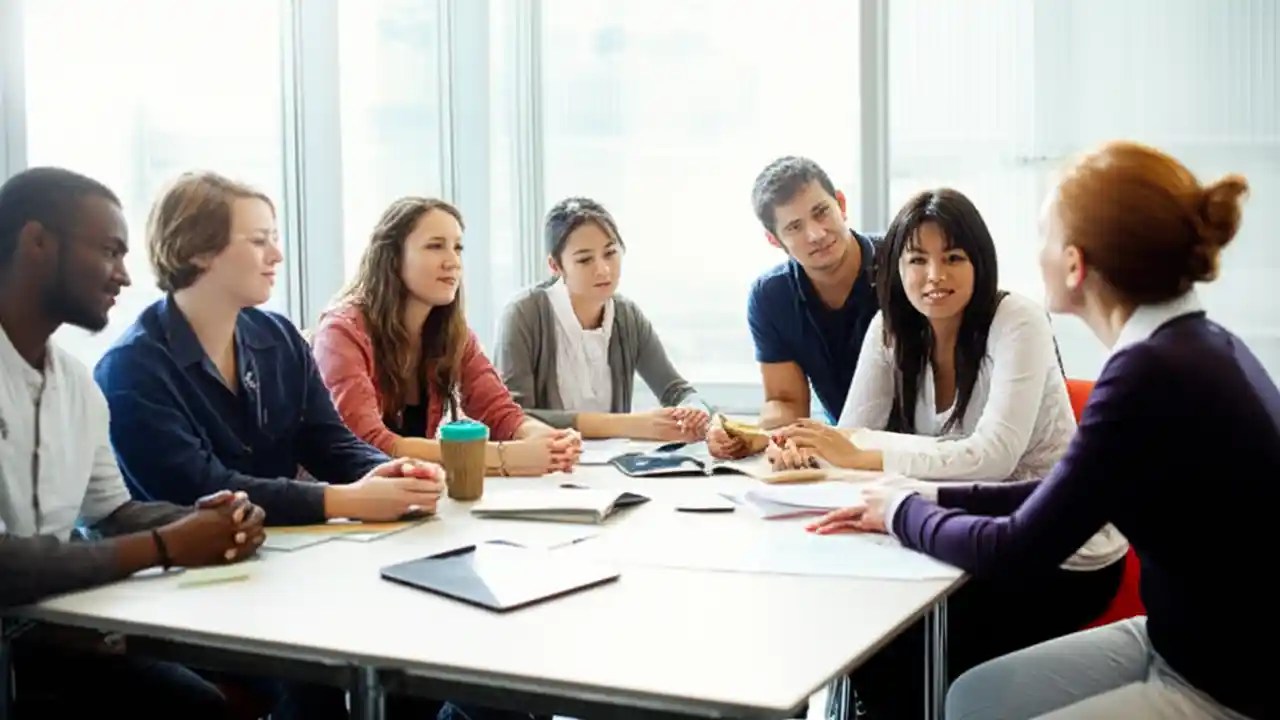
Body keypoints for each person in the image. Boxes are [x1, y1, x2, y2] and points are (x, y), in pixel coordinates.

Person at [810, 141, 1276, 720]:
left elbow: (1019, 547)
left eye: (1044, 237)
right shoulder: (1191, 346)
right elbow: (1058, 498)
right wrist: (922, 498)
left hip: (1230, 685)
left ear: (1075, 263)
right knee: (971, 699)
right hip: (1175, 641)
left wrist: (906, 512)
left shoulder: (1149, 374)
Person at [92, 171, 452, 719]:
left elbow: (330, 442)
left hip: (289, 571)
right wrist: (346, 500)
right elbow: (201, 488)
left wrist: (395, 471)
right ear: (199, 251)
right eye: (258, 240)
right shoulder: (132, 368)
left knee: (422, 659)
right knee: (321, 686)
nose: (277, 254)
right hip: (195, 589)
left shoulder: (277, 337)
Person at [776, 188, 1128, 718]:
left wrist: (855, 451)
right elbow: (847, 438)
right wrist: (806, 452)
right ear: (895, 266)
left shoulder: (1018, 321)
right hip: (954, 531)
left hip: (1053, 549)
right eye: (917, 260)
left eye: (953, 258)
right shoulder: (890, 329)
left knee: (895, 648)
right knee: (853, 630)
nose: (934, 276)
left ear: (979, 263)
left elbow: (993, 458)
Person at [0, 166, 266, 718]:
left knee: (200, 706)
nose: (123, 275)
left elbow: (112, 513)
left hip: (42, 638)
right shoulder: (126, 367)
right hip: (25, 640)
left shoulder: (78, 385)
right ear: (37, 242)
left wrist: (217, 521)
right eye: (109, 251)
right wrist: (169, 545)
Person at [312, 196, 582, 475]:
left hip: (410, 500)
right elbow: (365, 442)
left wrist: (547, 439)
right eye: (435, 246)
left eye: (457, 248)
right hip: (343, 508)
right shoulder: (342, 332)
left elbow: (501, 413)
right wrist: (503, 456)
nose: (453, 262)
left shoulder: (452, 333)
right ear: (392, 258)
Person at [494, 197, 711, 441]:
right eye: (585, 259)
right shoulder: (524, 315)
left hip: (613, 467)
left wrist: (696, 412)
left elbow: (676, 390)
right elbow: (512, 418)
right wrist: (628, 425)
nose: (603, 269)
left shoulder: (627, 316)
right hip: (546, 466)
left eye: (610, 253)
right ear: (555, 266)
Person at [707, 156, 882, 459]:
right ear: (774, 240)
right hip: (845, 453)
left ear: (841, 204)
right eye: (794, 227)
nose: (816, 234)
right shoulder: (771, 296)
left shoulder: (905, 262)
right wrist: (756, 435)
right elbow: (785, 401)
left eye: (821, 212)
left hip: (925, 444)